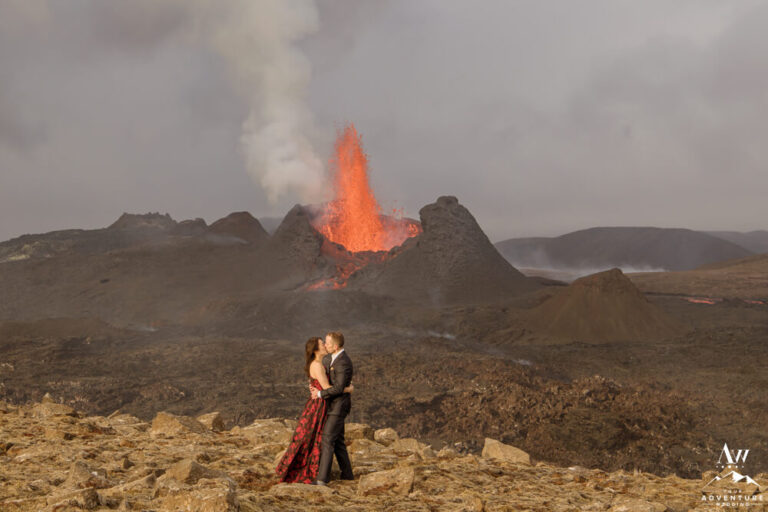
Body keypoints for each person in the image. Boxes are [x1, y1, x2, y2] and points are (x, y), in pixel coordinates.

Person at [275, 337, 354, 483]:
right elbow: (327, 388)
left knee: (334, 439)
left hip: (322, 403)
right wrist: (348, 389)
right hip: (319, 406)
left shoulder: (320, 364)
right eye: (322, 344)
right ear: (316, 349)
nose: (325, 345)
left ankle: (346, 474)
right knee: (315, 438)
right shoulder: (317, 365)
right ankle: (318, 475)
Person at [311, 331, 354, 485]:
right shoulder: (335, 359)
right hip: (335, 405)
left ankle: (322, 479)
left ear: (335, 347)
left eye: (327, 343)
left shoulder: (342, 362)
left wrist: (320, 394)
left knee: (327, 439)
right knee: (339, 442)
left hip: (338, 406)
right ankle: (347, 475)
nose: (325, 345)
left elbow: (338, 388)